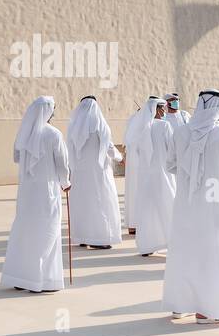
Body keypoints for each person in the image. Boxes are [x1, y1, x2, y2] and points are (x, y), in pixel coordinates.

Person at [162, 90, 219, 325]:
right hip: (213, 203)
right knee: (212, 253)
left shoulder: (180, 132)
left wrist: (190, 179)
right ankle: (208, 310)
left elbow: (170, 164)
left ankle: (180, 304)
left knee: (185, 250)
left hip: (185, 203)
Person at [2, 96, 71, 292]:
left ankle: (21, 276)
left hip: (26, 192)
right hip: (46, 191)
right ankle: (42, 279)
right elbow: (62, 163)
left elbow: (16, 157)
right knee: (47, 232)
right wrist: (66, 183)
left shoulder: (24, 134)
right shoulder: (53, 134)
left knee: (25, 231)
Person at [66, 96, 122, 249]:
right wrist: (120, 157)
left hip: (79, 174)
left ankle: (82, 236)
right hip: (98, 173)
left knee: (82, 203)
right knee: (100, 202)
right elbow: (109, 147)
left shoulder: (73, 127)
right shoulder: (100, 124)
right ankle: (99, 238)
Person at [133, 99, 175, 257]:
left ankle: (147, 245)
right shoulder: (164, 126)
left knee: (147, 210)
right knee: (167, 206)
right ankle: (172, 242)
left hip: (146, 175)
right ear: (156, 110)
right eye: (162, 109)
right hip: (163, 173)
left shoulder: (141, 127)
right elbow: (172, 148)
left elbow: (136, 150)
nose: (164, 111)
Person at [122, 98, 157, 236]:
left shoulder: (133, 121)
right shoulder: (148, 125)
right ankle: (142, 224)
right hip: (142, 165)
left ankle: (133, 225)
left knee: (132, 194)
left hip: (132, 165)